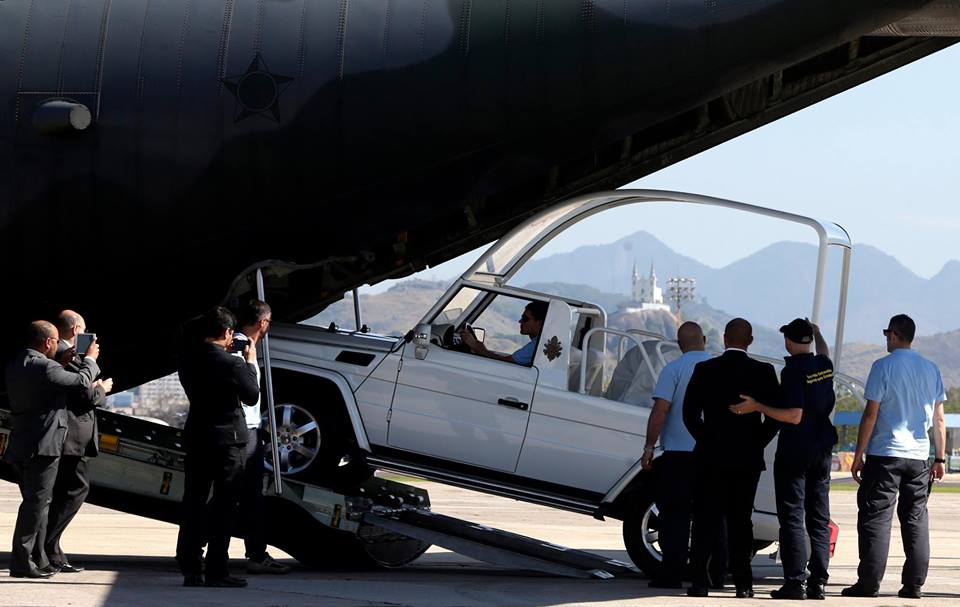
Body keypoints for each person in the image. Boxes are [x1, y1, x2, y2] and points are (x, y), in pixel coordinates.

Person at [842, 314, 946, 600]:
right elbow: (939, 419)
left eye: (887, 332)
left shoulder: (882, 367)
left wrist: (859, 453)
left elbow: (871, 413)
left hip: (885, 453)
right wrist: (939, 458)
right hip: (918, 456)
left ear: (894, 335)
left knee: (876, 519)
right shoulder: (931, 369)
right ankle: (914, 585)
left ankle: (869, 584)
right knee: (915, 519)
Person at [731, 318, 837, 600]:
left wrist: (758, 406)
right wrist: (818, 332)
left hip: (796, 451)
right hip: (822, 449)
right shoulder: (823, 367)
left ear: (788, 342)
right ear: (809, 341)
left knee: (792, 517)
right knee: (818, 517)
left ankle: (795, 581)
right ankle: (818, 582)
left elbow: (794, 414)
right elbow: (825, 352)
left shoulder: (792, 372)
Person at [682, 318, 780, 598]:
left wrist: (706, 439)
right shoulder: (763, 371)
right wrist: (756, 442)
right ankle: (743, 584)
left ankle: (700, 582)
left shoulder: (705, 369)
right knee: (741, 522)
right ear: (749, 342)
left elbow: (689, 413)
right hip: (746, 459)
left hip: (710, 457)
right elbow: (773, 417)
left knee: (705, 520)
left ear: (724, 339)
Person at [4, 321, 100, 578]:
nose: (58, 345)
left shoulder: (17, 364)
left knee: (36, 504)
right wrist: (89, 360)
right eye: (56, 341)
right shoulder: (45, 367)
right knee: (36, 505)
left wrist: (61, 361)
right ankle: (22, 563)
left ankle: (38, 559)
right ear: (48, 342)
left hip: (22, 442)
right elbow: (81, 383)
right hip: (43, 446)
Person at [175, 307, 260, 588]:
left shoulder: (187, 360)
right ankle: (216, 570)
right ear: (227, 332)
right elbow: (251, 396)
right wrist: (249, 361)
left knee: (193, 502)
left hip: (198, 436)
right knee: (224, 506)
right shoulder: (233, 364)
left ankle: (190, 566)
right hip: (228, 442)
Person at [640, 321, 712, 589]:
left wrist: (649, 446)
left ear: (679, 344)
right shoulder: (717, 368)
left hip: (678, 455)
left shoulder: (674, 369)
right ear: (704, 339)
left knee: (674, 516)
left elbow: (661, 410)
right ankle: (706, 574)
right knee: (709, 516)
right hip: (711, 454)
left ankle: (671, 573)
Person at [44, 310, 113, 574]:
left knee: (64, 492)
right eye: (84, 329)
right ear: (75, 330)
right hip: (72, 435)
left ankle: (53, 550)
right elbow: (84, 395)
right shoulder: (68, 357)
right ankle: (49, 546)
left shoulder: (65, 356)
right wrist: (101, 389)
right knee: (74, 491)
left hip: (71, 435)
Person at [229, 300, 290, 575]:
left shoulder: (241, 346)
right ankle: (255, 553)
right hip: (243, 430)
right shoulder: (240, 349)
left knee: (242, 495)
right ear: (263, 322)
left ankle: (253, 551)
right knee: (246, 495)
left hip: (248, 428)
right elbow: (246, 389)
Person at [460, 300, 547, 365]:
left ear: (539, 323)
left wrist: (477, 347)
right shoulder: (538, 344)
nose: (520, 321)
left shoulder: (535, 347)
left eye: (525, 318)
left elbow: (505, 364)